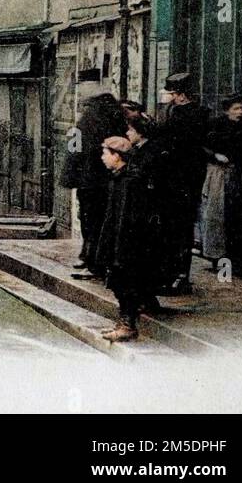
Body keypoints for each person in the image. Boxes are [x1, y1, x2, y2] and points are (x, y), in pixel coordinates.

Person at [97, 136, 165, 342]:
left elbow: (127, 220)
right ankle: (123, 322)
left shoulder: (130, 183)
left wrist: (118, 248)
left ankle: (127, 325)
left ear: (117, 156)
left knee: (126, 283)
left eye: (105, 154)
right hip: (118, 241)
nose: (102, 158)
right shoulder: (119, 179)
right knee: (119, 283)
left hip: (127, 244)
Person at [155, 72, 211, 294]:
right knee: (174, 228)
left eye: (170, 93)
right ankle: (172, 274)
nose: (167, 96)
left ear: (180, 95)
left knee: (179, 228)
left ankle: (179, 276)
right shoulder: (177, 112)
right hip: (177, 179)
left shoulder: (188, 116)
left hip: (183, 180)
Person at [61, 92, 125, 277]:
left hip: (87, 181)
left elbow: (73, 151)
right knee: (101, 220)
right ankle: (94, 257)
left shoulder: (83, 123)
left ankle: (88, 255)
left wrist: (71, 177)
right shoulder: (115, 122)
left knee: (89, 220)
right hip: (106, 180)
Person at [202, 94, 242, 275]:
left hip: (240, 174)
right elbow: (202, 146)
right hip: (218, 174)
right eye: (236, 109)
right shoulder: (215, 125)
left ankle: (235, 260)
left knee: (236, 217)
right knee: (216, 215)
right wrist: (214, 155)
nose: (240, 112)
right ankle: (217, 259)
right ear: (226, 110)